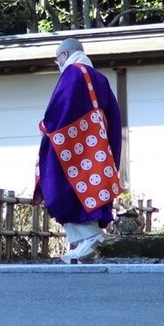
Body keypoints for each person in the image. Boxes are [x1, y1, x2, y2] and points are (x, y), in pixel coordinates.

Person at [37, 37, 123, 263]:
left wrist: (47, 127)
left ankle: (91, 236)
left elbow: (59, 111)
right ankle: (85, 244)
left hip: (75, 145)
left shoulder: (72, 73)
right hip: (97, 146)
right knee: (91, 188)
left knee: (63, 187)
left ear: (64, 55)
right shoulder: (100, 78)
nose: (58, 64)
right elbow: (113, 116)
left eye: (57, 59)